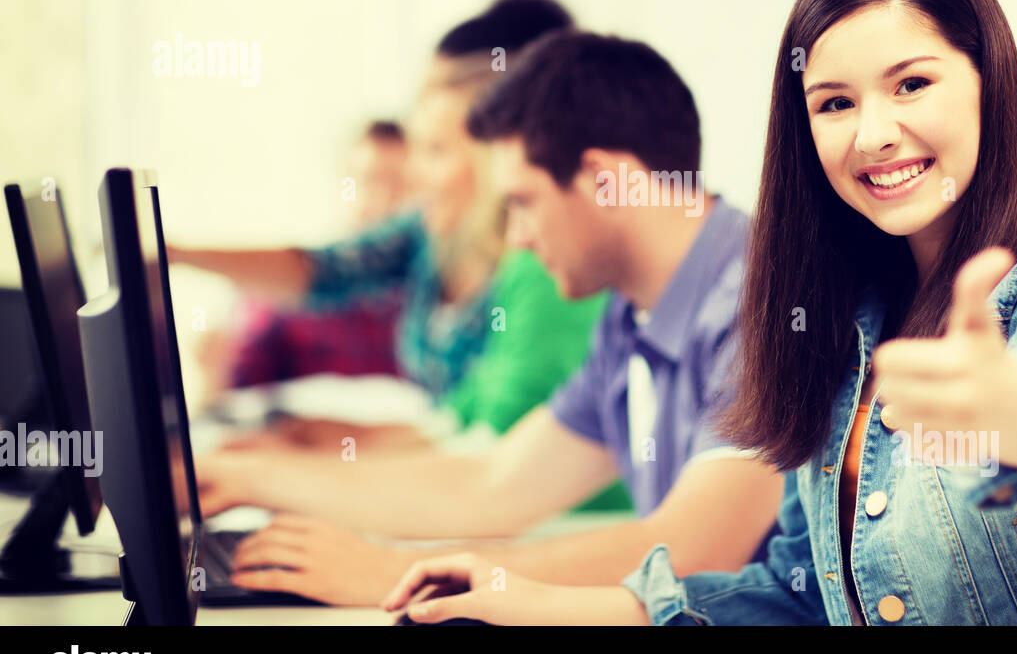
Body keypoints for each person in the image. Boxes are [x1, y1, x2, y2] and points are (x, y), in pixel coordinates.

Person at [380, 0, 1017, 626]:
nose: (875, 133)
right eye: (835, 103)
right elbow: (794, 593)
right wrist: (535, 601)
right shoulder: (837, 317)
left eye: (913, 84)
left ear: (990, 82)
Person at [193, 31, 785, 607]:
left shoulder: (760, 301)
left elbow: (698, 549)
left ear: (605, 182)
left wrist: (398, 572)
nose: (518, 241)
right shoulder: (631, 314)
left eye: (522, 203)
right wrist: (249, 476)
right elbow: (496, 483)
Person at [194, 119, 412, 401]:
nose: (383, 201)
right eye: (369, 181)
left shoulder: (435, 302)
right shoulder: (285, 293)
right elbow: (231, 403)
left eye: (399, 184)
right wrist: (212, 368)